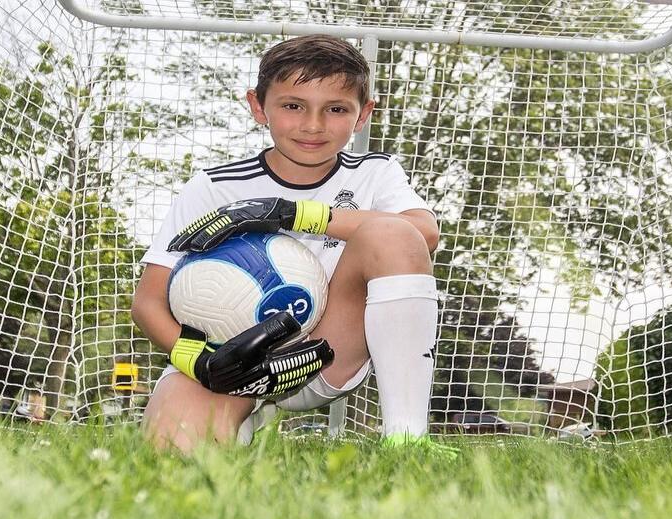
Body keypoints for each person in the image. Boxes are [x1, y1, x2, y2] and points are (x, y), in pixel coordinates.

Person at [132, 34, 452, 457]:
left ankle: (407, 440)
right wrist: (200, 362)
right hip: (233, 362)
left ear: (362, 116)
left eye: (336, 109)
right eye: (293, 105)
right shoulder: (214, 187)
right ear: (258, 106)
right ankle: (244, 416)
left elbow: (421, 233)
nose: (313, 125)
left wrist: (293, 214)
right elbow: (148, 302)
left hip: (324, 351)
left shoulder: (375, 172)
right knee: (173, 459)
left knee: (390, 232)